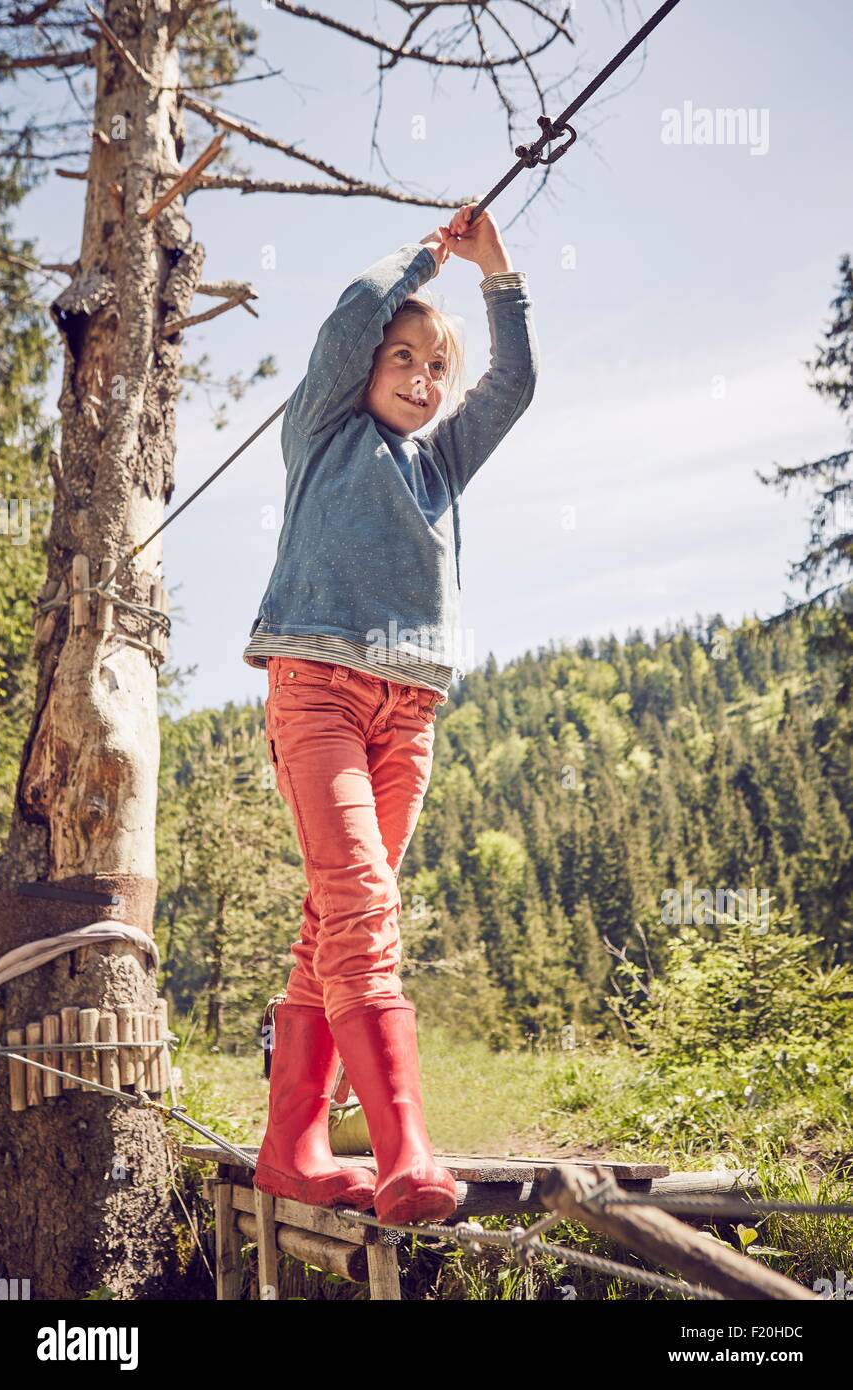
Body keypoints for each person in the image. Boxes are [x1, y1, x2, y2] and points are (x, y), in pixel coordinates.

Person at [247, 202, 539, 1224]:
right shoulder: (323, 429)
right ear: (364, 366)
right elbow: (350, 318)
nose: (420, 377)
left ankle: (290, 1145)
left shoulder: (438, 467)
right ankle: (405, 1149)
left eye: (433, 366)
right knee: (365, 903)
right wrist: (429, 255)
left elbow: (513, 384)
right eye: (402, 356)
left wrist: (496, 274)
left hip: (408, 710)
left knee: (333, 915)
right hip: (317, 684)